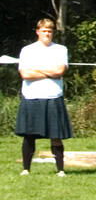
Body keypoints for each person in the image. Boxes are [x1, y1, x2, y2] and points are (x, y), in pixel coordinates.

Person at [16, 17, 72, 176]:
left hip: (53, 96)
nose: (47, 33)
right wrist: (49, 72)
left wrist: (38, 70)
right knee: (29, 135)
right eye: (44, 31)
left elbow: (59, 72)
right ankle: (26, 169)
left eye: (50, 31)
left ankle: (60, 170)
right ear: (37, 32)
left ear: (52, 33)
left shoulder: (61, 50)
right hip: (32, 97)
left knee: (56, 135)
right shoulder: (27, 50)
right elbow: (25, 74)